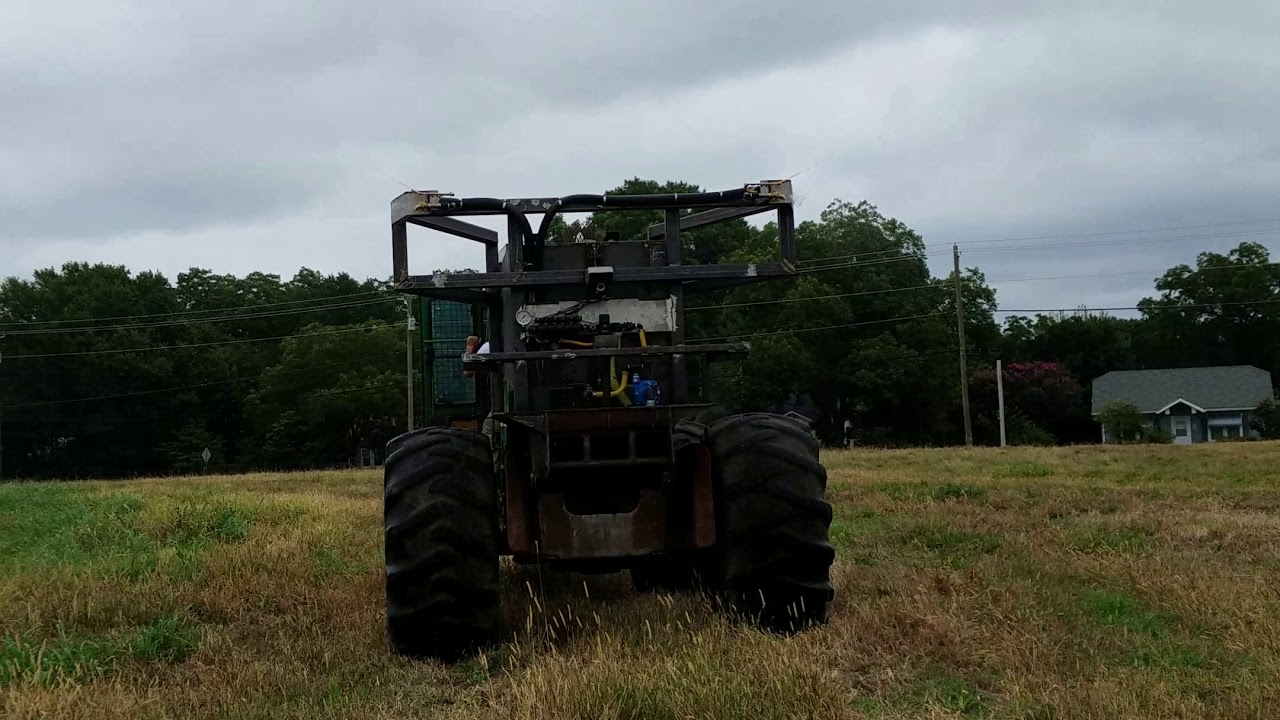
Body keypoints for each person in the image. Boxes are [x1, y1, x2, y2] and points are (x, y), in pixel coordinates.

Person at [463, 336, 494, 439]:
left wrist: (470, 346)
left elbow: (468, 371)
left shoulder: (490, 346)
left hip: (500, 403)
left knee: (489, 429)